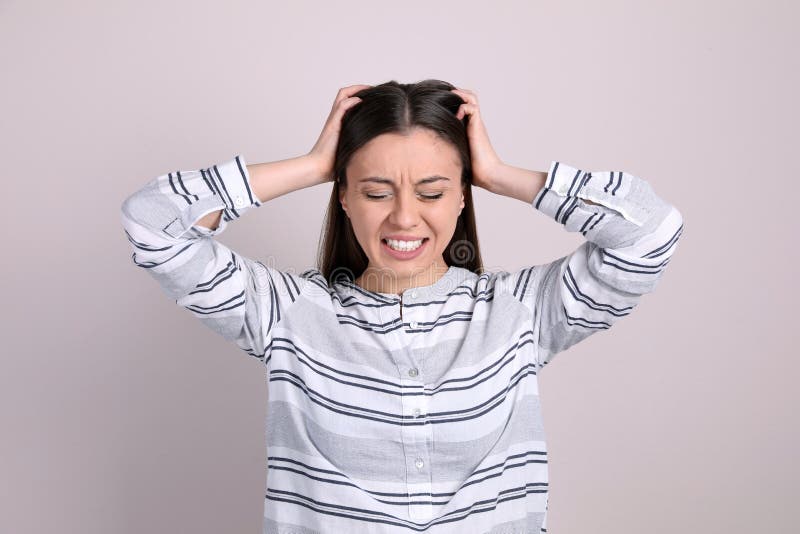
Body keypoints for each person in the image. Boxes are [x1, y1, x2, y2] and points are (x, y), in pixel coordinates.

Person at [120, 80, 684, 533]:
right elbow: (152, 224)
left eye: (433, 192)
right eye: (375, 191)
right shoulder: (285, 314)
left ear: (463, 196)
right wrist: (313, 165)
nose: (405, 218)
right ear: (343, 196)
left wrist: (504, 177)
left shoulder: (521, 313)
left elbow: (651, 233)